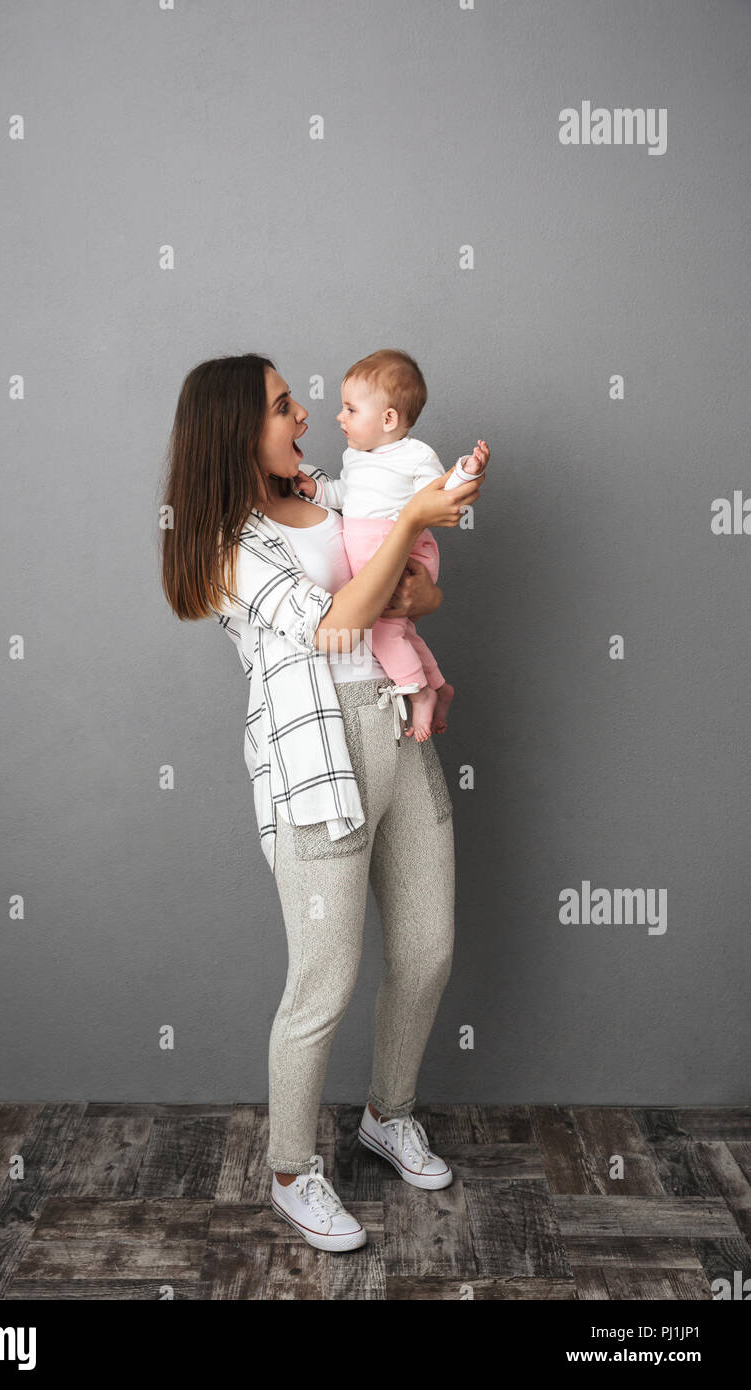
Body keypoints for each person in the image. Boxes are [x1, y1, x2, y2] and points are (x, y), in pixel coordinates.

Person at [160, 353, 486, 1252]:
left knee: (426, 951)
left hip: (396, 732)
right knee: (323, 983)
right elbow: (337, 621)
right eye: (279, 405)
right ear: (236, 431)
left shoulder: (325, 489)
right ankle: (294, 1171)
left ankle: (389, 1114)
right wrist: (413, 523)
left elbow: (415, 589)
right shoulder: (228, 544)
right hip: (316, 760)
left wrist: (425, 566)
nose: (301, 411)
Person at [293, 347, 489, 741]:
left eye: (350, 409)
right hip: (377, 554)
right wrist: (318, 489)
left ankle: (418, 694)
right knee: (401, 632)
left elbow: (440, 492)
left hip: (407, 553)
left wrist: (467, 471)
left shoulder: (415, 455)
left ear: (388, 419)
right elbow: (346, 493)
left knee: (382, 633)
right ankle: (437, 683)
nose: (339, 417)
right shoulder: (356, 456)